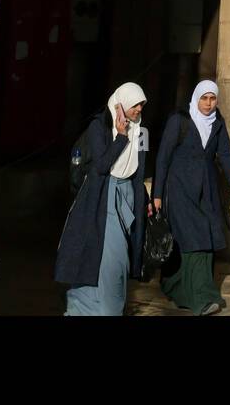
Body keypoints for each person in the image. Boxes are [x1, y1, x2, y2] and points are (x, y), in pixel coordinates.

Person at [55, 82, 150, 316]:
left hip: (128, 197)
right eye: (135, 104)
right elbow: (101, 165)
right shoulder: (99, 126)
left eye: (141, 105)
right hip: (102, 198)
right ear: (122, 103)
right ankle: (106, 310)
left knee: (110, 258)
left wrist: (145, 199)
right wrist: (121, 136)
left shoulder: (143, 131)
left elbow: (141, 166)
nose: (139, 109)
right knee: (113, 261)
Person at [153, 79, 230, 315]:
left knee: (207, 234)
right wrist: (157, 194)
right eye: (204, 98)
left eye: (212, 99)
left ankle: (177, 287)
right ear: (196, 98)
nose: (208, 103)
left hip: (207, 189)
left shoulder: (217, 122)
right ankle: (202, 298)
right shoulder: (179, 120)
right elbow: (163, 157)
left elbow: (224, 151)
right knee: (194, 237)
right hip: (180, 188)